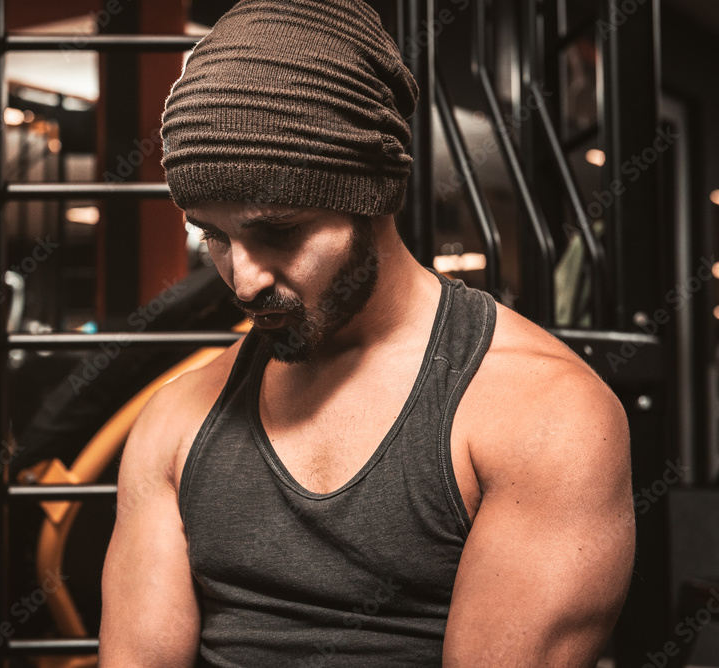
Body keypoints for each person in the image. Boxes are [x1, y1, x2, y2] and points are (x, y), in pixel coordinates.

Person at [99, 0, 635, 665]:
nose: (242, 281)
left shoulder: (546, 417)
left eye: (280, 230)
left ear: (372, 197)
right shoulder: (175, 422)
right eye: (215, 236)